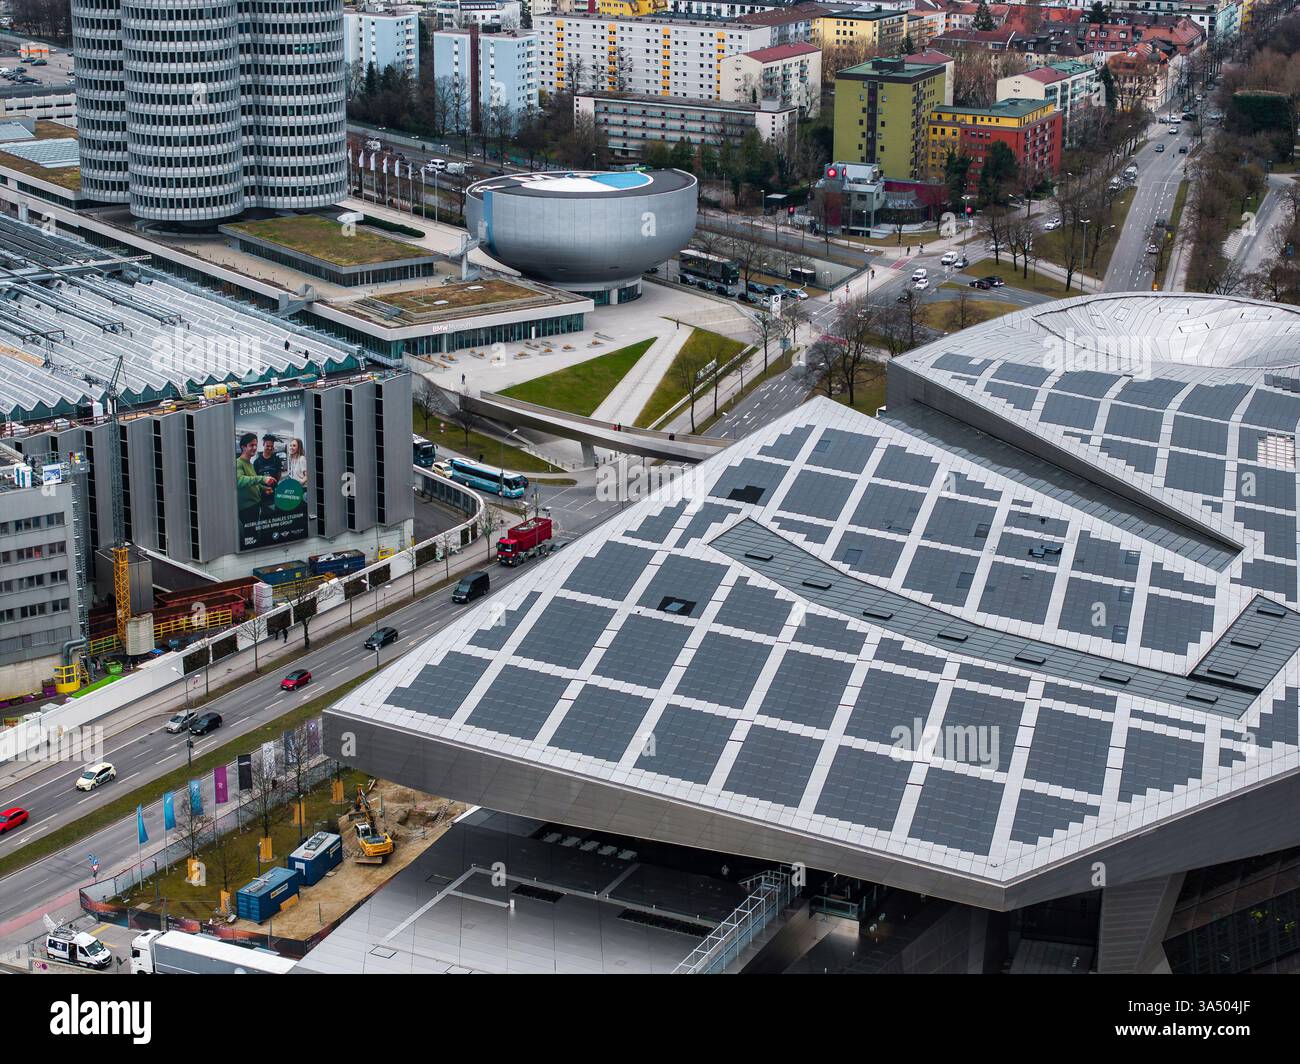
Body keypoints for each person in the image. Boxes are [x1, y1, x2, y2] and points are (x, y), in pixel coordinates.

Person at [236, 432, 275, 525]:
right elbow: (239, 481)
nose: (254, 448)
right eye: (251, 445)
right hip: (246, 509)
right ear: (243, 447)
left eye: (255, 445)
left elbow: (253, 483)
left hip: (255, 505)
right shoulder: (238, 463)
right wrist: (262, 479)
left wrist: (264, 488)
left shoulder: (250, 464)